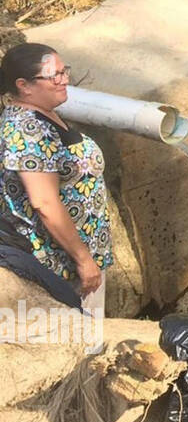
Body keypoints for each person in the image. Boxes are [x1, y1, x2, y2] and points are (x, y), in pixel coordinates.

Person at [1, 44, 112, 312]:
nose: (64, 80)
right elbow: (45, 203)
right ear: (24, 85)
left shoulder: (46, 113)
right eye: (54, 76)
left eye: (64, 72)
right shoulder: (28, 130)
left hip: (79, 258)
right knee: (82, 341)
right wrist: (84, 259)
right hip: (61, 267)